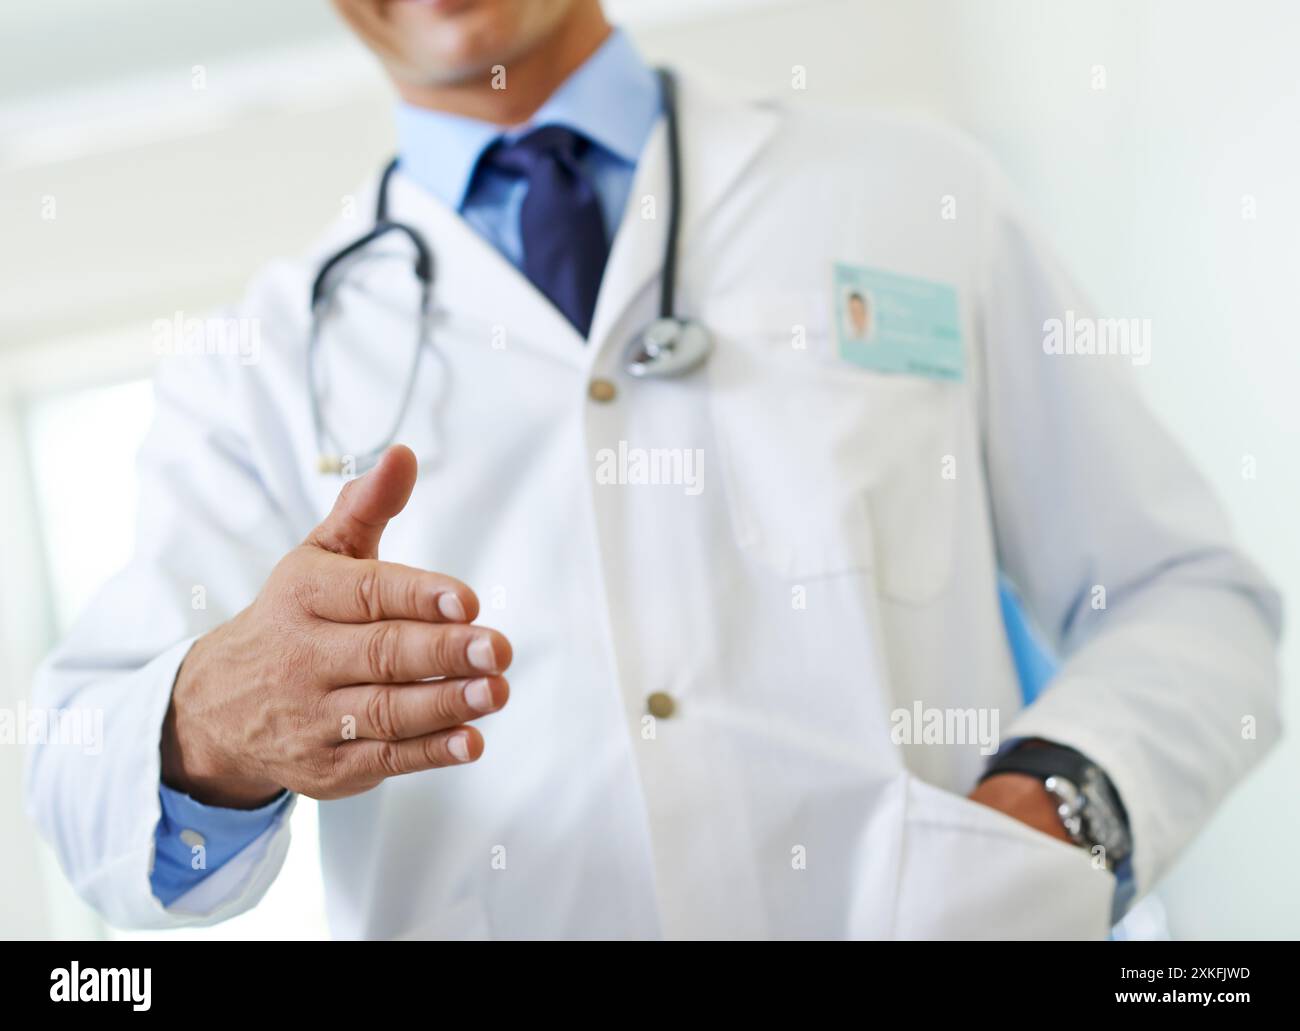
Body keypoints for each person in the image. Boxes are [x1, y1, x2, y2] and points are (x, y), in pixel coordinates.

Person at [26, 0, 1281, 939]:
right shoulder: (260, 355)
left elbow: (1189, 599)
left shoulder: (909, 192)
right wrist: (211, 722)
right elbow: (79, 774)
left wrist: (1055, 808)